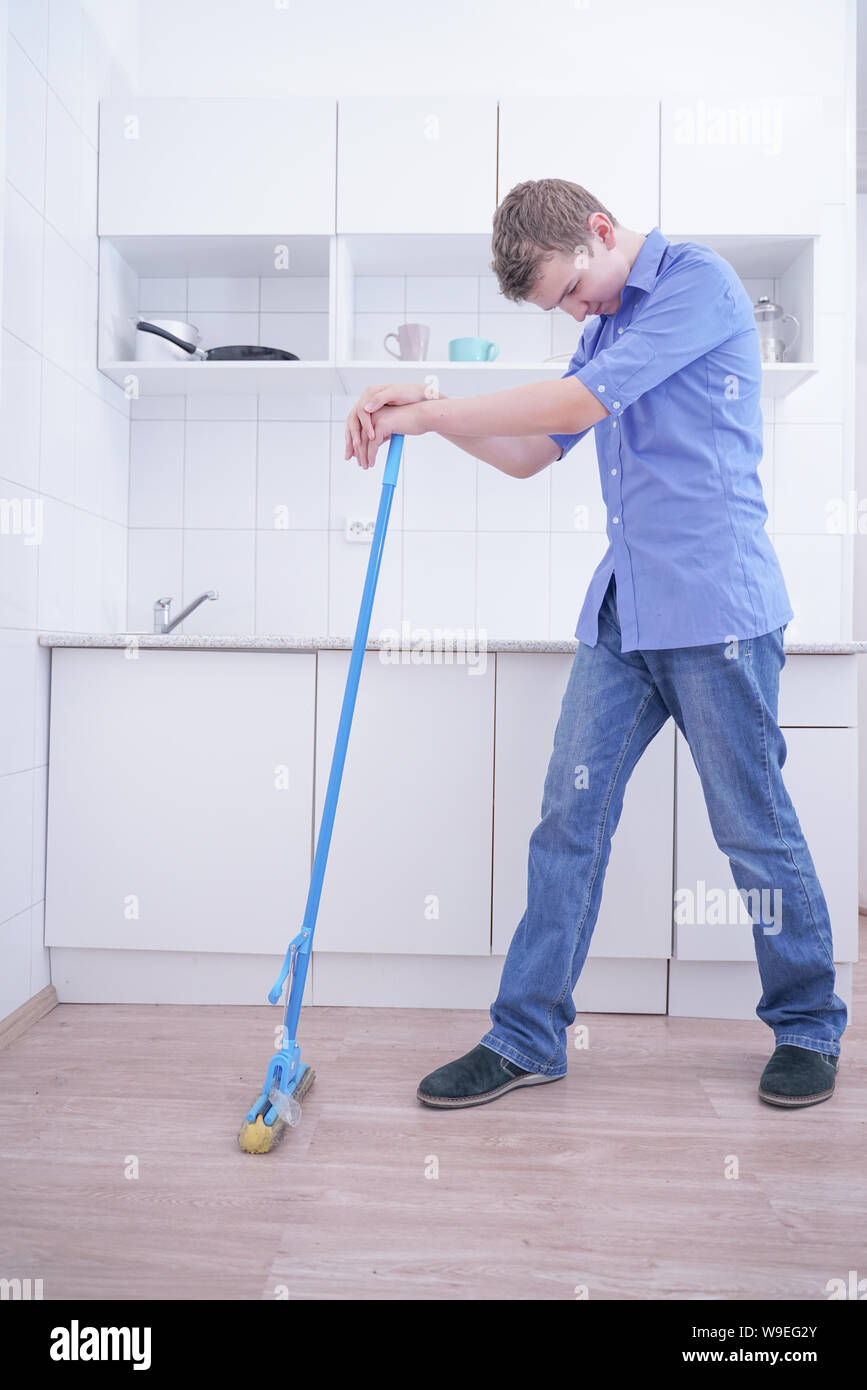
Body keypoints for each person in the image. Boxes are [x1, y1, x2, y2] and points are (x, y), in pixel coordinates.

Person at [344, 178, 846, 1112]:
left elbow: (572, 408)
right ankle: (526, 1035)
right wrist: (428, 412)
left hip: (719, 614)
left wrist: (435, 406)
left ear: (601, 233)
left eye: (569, 292)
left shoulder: (699, 284)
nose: (573, 312)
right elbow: (539, 449)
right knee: (567, 823)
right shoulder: (602, 329)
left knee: (751, 827)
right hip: (625, 619)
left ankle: (808, 1024)